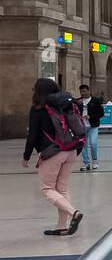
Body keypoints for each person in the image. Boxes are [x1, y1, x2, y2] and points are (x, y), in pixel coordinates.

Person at [22, 78, 86, 237]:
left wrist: (26, 156)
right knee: (62, 188)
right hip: (71, 149)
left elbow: (33, 135)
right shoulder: (66, 104)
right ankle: (61, 226)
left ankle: (74, 213)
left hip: (52, 152)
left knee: (47, 188)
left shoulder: (38, 108)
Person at [77, 84, 104, 172]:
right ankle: (86, 163)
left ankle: (95, 161)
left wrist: (91, 116)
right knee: (83, 145)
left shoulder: (95, 101)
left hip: (93, 126)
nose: (82, 93)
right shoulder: (78, 101)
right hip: (81, 126)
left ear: (88, 91)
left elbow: (101, 113)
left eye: (84, 91)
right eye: (81, 92)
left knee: (93, 143)